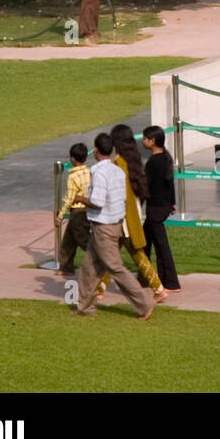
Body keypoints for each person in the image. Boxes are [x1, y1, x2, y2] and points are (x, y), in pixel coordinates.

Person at [74, 133, 154, 319]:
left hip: (104, 226)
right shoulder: (117, 170)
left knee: (115, 267)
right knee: (89, 267)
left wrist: (79, 199)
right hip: (114, 223)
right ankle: (85, 308)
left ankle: (144, 303)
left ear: (95, 150)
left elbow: (97, 201)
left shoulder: (98, 172)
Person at [94, 124, 167, 302]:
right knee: (112, 255)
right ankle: (99, 289)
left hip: (122, 217)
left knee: (132, 255)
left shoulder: (118, 164)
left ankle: (158, 289)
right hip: (130, 214)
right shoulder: (132, 162)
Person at [141, 126, 180, 292]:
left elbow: (145, 187)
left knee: (161, 246)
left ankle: (171, 282)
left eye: (145, 138)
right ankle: (144, 277)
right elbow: (170, 182)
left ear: (152, 141)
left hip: (155, 209)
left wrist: (137, 204)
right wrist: (172, 202)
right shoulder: (165, 158)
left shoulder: (153, 162)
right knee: (144, 242)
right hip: (162, 206)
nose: (143, 141)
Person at [56, 142, 92, 275]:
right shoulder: (89, 172)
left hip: (78, 212)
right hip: (88, 209)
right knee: (68, 241)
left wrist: (60, 216)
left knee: (83, 240)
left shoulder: (73, 177)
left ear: (72, 158)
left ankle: (98, 261)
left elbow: (69, 199)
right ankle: (66, 267)